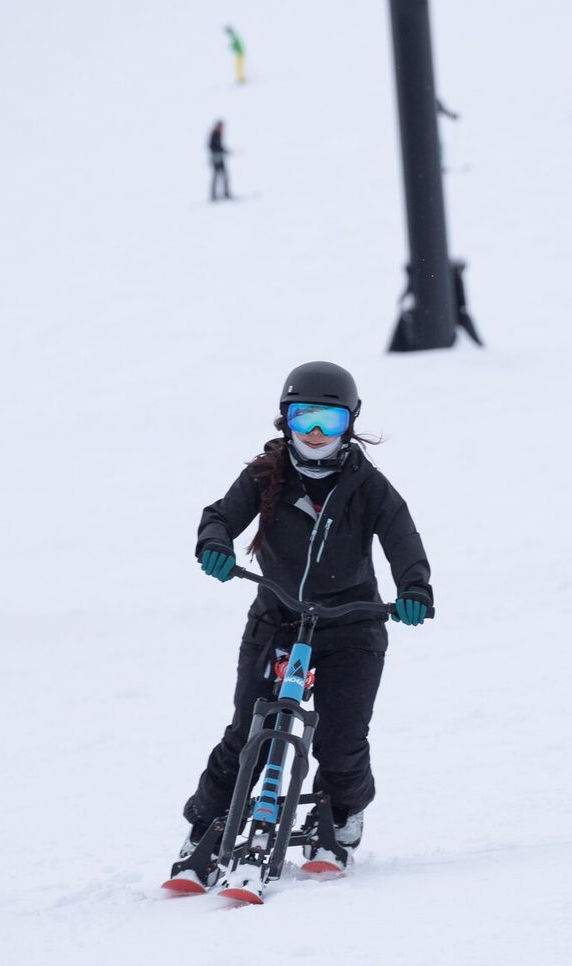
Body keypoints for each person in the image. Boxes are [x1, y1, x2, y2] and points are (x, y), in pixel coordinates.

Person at [169, 361, 435, 890]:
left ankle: (336, 819)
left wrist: (414, 590)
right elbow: (219, 515)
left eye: (329, 422)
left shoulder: (368, 486)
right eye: (304, 418)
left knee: (340, 736)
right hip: (278, 616)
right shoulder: (264, 476)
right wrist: (215, 544)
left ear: (350, 424)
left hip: (351, 623)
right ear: (284, 420)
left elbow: (402, 539)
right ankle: (208, 824)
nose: (315, 433)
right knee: (248, 729)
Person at [207, 120, 231, 202]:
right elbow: (211, 146)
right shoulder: (214, 134)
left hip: (221, 158)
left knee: (225, 176)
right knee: (216, 176)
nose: (222, 128)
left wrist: (225, 151)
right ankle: (213, 195)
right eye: (221, 126)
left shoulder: (219, 134)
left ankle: (226, 193)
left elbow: (220, 146)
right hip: (215, 158)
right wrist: (218, 151)